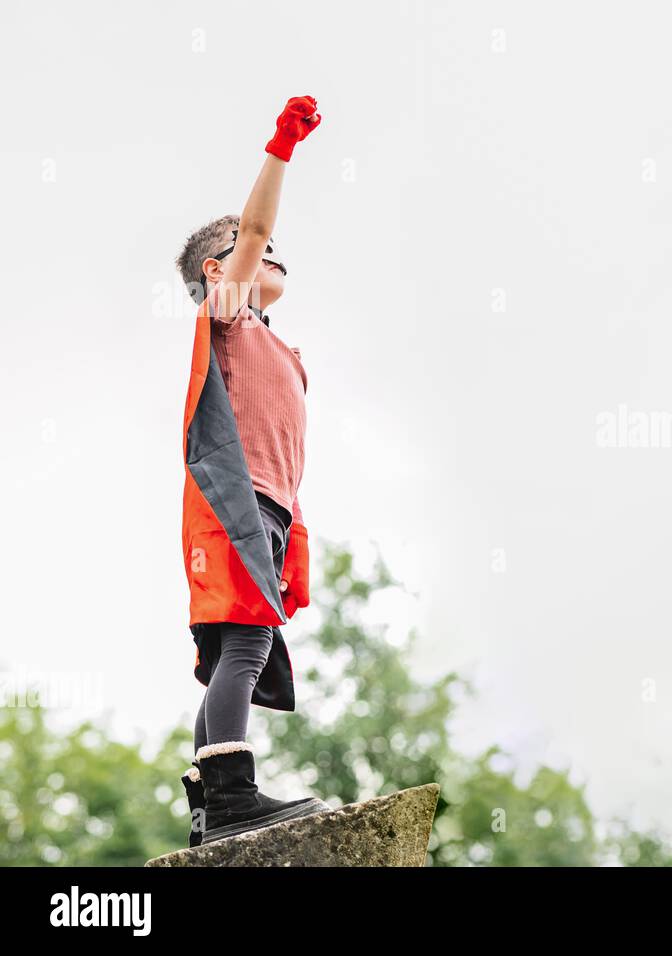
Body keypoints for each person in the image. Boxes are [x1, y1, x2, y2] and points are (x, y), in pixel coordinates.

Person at [173, 95, 329, 846]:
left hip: (267, 511)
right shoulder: (226, 314)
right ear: (219, 268)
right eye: (246, 248)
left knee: (237, 645)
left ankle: (211, 805)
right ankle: (233, 796)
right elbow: (259, 226)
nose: (270, 252)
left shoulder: (279, 348)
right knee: (244, 644)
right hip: (230, 504)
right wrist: (280, 148)